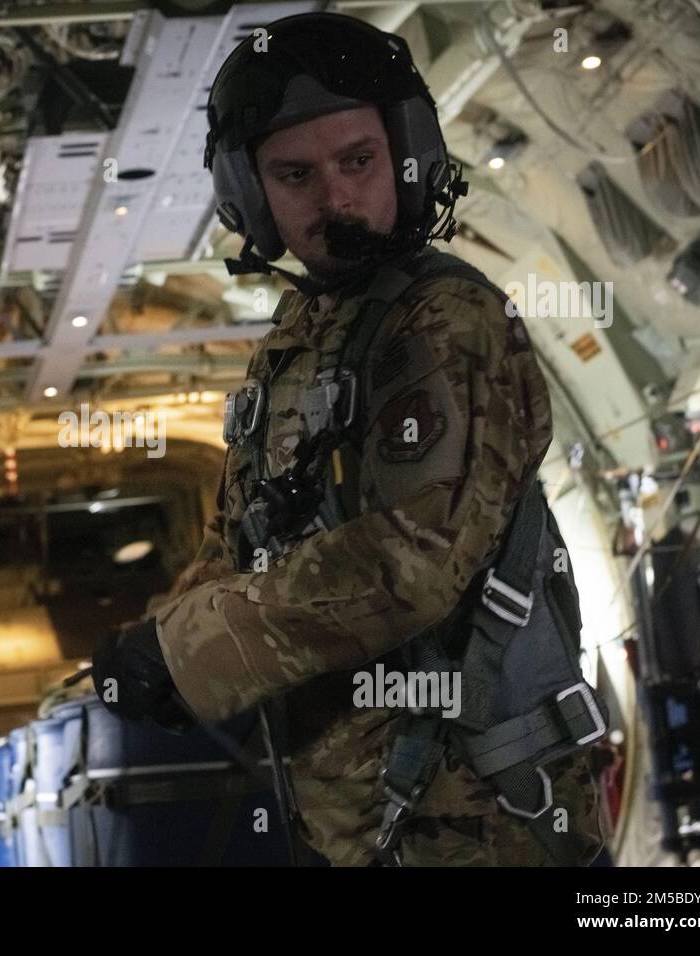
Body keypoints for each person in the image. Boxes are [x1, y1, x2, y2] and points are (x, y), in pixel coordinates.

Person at [93, 12, 609, 866]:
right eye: (295, 175)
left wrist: (188, 651)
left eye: (358, 162)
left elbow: (406, 566)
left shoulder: (446, 320)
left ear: (404, 158)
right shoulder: (302, 335)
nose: (334, 199)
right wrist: (160, 637)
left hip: (477, 824)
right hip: (357, 826)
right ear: (250, 193)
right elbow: (249, 542)